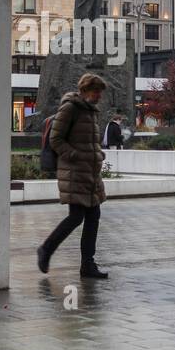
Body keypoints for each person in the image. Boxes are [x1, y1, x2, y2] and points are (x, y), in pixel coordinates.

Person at [36, 73, 109, 279]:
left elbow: (88, 141)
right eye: (96, 92)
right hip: (75, 172)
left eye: (100, 93)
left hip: (90, 173)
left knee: (93, 217)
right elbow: (55, 139)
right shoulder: (70, 108)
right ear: (85, 90)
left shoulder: (91, 111)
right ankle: (46, 249)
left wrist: (97, 154)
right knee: (76, 216)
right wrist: (75, 156)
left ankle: (88, 265)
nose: (99, 97)